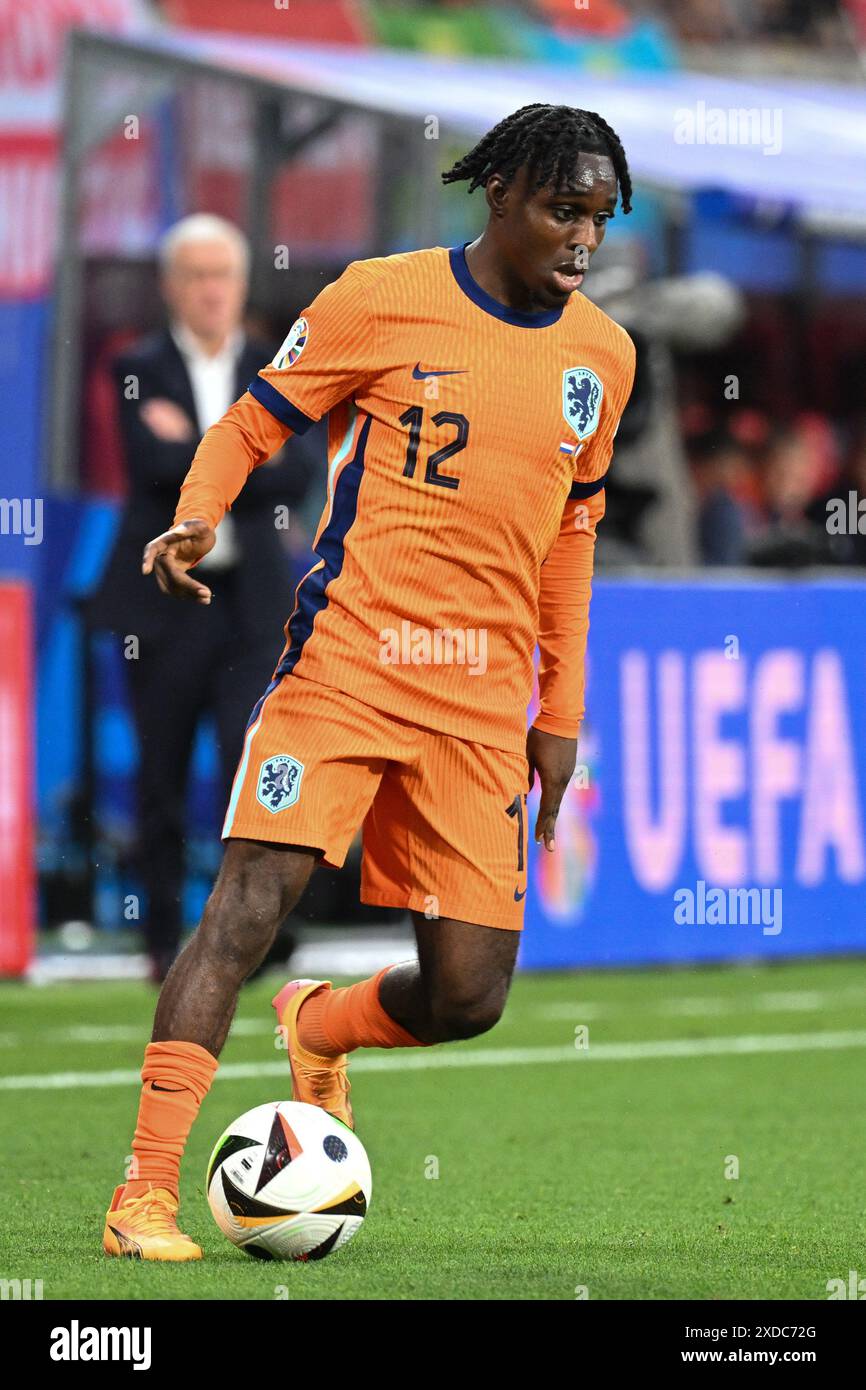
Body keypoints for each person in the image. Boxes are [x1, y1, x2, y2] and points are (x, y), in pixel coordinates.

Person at [102, 105, 637, 1261]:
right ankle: (141, 1194)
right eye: (562, 209)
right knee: (244, 910)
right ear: (496, 193)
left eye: (598, 216)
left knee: (467, 999)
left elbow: (570, 543)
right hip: (347, 664)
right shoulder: (378, 297)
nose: (582, 237)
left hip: (484, 704)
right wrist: (196, 515)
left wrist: (561, 711)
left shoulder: (603, 356)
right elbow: (252, 423)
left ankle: (319, 1026)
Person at [88, 215, 315, 982]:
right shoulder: (138, 367)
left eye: (223, 273)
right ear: (170, 286)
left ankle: (243, 940)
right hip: (165, 602)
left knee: (247, 772)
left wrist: (201, 444)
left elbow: (297, 472)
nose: (211, 289)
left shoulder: (276, 365)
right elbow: (149, 468)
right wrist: (245, 447)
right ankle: (159, 941)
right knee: (161, 775)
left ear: (243, 283)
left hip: (252, 607)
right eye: (196, 275)